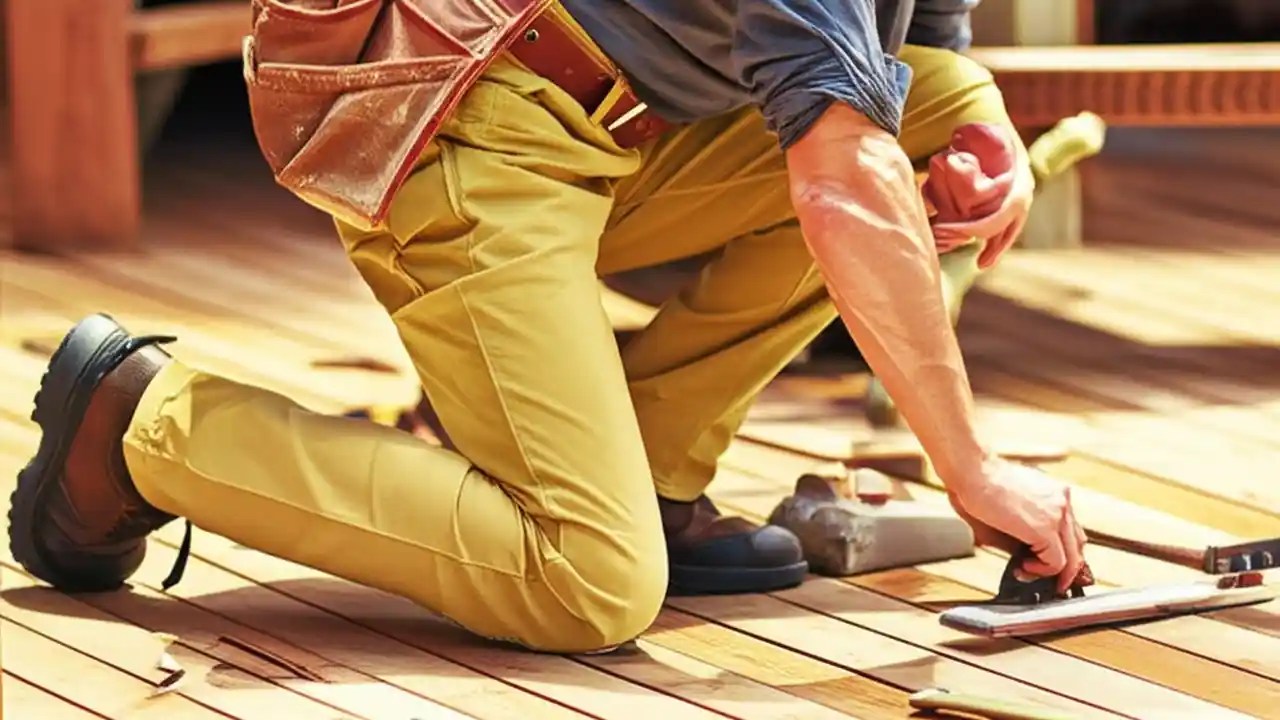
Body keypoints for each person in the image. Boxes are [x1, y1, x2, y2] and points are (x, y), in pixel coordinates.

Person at [9, 0, 1088, 654]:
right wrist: (971, 469)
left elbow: (915, 65)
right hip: (458, 120)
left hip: (620, 128)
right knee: (586, 585)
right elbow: (843, 184)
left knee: (931, 106)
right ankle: (145, 426)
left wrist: (982, 138)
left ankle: (650, 477)